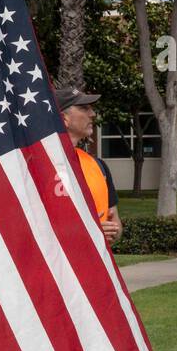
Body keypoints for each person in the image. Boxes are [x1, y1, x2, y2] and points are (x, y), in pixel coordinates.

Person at [55, 85, 123, 246]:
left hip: (96, 267)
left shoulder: (98, 166)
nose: (92, 114)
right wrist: (87, 231)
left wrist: (113, 231)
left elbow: (117, 226)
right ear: (64, 118)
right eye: (84, 108)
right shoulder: (38, 167)